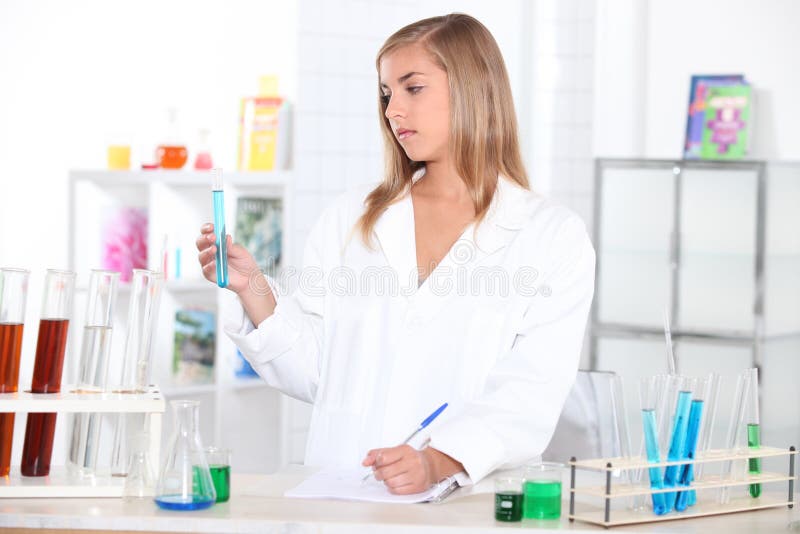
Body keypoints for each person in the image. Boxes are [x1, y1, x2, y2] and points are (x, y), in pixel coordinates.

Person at [196, 13, 595, 495]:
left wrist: (438, 461)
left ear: (473, 88)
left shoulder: (552, 237)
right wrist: (252, 289)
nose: (393, 111)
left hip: (463, 507)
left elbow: (531, 393)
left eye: (413, 88)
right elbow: (317, 374)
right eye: (387, 94)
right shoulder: (351, 218)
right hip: (343, 500)